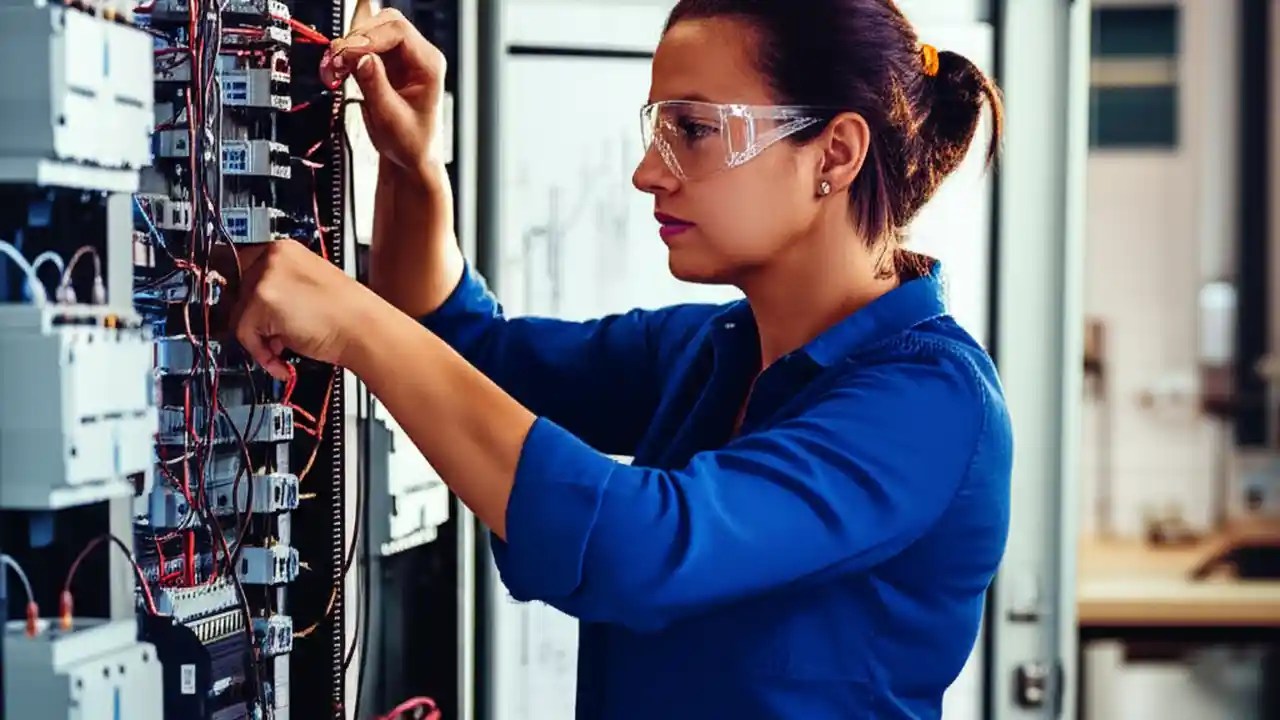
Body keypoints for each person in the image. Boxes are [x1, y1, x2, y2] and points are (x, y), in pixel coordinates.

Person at [229, 0, 1014, 716]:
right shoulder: (716, 354)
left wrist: (354, 321)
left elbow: (637, 547)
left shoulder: (931, 402)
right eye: (658, 129)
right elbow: (466, 352)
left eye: (695, 130)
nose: (648, 172)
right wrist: (411, 165)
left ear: (833, 154)